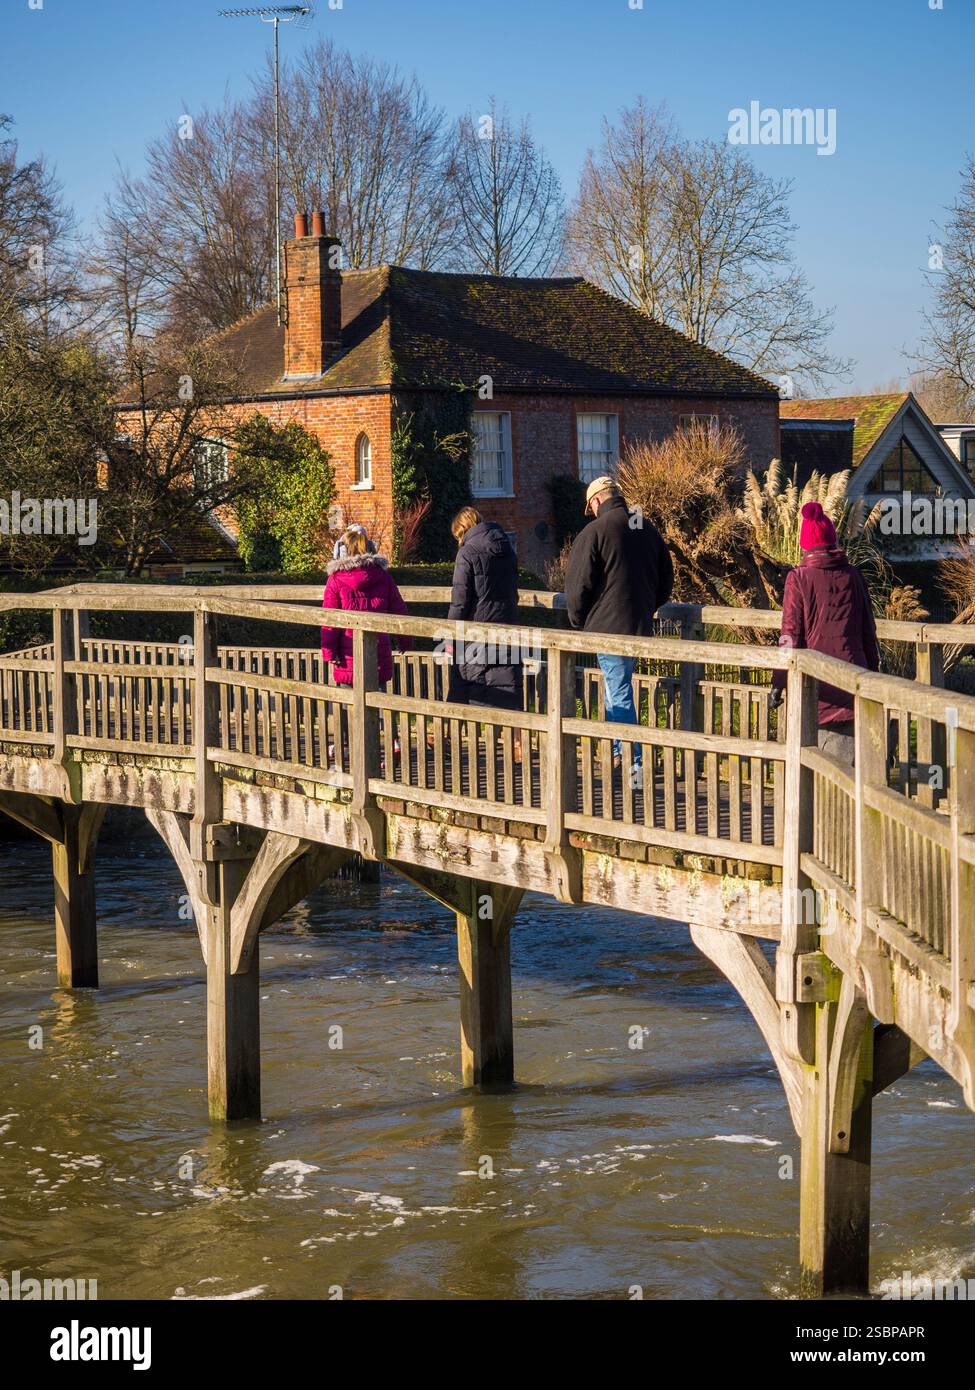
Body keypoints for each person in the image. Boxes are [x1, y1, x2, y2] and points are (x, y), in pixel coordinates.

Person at [564, 475, 674, 763]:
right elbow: (666, 577)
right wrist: (648, 605)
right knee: (617, 686)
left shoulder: (595, 531)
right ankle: (618, 749)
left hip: (608, 625)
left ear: (597, 501)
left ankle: (631, 758)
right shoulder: (644, 526)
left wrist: (578, 620)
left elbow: (578, 586)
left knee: (619, 689)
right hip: (639, 622)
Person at [772, 501, 880, 765]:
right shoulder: (854, 575)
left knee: (817, 772)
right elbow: (869, 631)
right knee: (852, 779)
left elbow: (790, 635)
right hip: (855, 683)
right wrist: (872, 673)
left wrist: (778, 680)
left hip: (818, 691)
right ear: (833, 541)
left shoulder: (798, 578)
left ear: (805, 544)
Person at [447, 507, 524, 726]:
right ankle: (516, 743)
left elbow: (460, 599)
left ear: (462, 531)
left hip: (476, 630)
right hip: (507, 626)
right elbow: (513, 589)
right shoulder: (507, 548)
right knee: (507, 682)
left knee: (468, 683)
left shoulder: (467, 552)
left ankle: (453, 735)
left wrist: (451, 634)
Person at [321, 527, 411, 688]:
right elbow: (399, 611)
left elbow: (330, 620)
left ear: (342, 551)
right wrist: (405, 641)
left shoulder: (335, 579)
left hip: (347, 654)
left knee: (346, 706)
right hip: (378, 653)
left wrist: (329, 652)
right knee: (377, 703)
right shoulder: (383, 576)